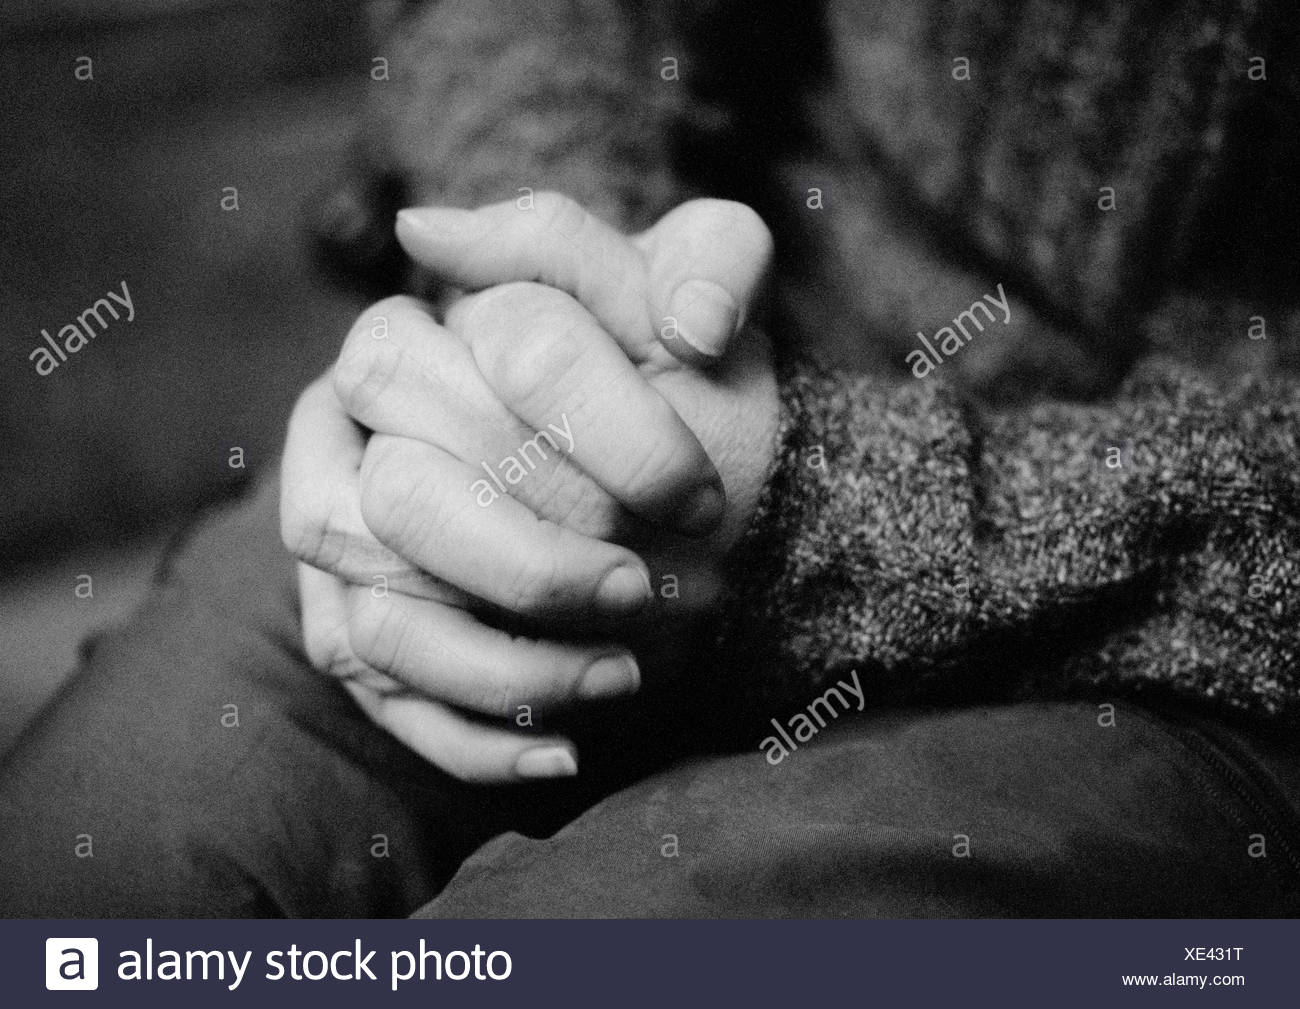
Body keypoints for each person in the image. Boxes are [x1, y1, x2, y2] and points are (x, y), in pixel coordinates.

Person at [1, 0, 1298, 917]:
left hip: (1209, 634)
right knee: (105, 863)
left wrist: (829, 503)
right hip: (724, 350)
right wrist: (548, 293)